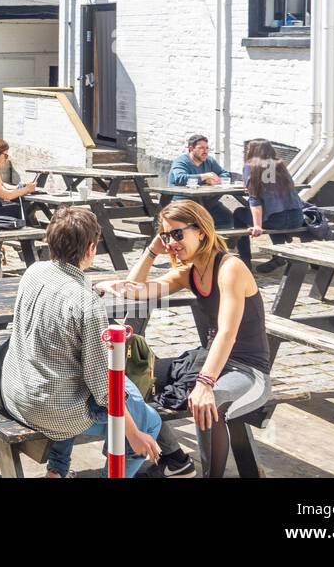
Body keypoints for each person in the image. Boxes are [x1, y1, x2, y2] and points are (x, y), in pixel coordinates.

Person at [98, 199, 272, 478]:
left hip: (248, 371)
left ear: (201, 231)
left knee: (208, 402)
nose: (172, 242)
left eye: (178, 234)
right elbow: (135, 291)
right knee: (137, 380)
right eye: (166, 236)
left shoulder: (230, 268)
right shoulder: (188, 272)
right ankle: (175, 458)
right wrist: (153, 250)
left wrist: (204, 383)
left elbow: (227, 333)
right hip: (209, 360)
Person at [1, 205, 162, 478]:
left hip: (16, 394)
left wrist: (98, 287)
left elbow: (63, 285)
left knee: (72, 372)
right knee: (147, 420)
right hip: (54, 412)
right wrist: (134, 434)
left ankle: (57, 470)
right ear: (91, 249)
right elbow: (102, 388)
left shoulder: (33, 272)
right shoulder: (86, 305)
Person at [243, 138, 306, 274]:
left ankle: (245, 261)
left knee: (238, 214)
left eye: (248, 149)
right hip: (297, 218)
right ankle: (278, 254)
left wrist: (257, 226)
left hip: (278, 220)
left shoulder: (251, 166)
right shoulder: (280, 164)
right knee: (273, 214)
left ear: (253, 151)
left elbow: (254, 199)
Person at [166, 133, 244, 230]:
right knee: (200, 222)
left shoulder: (209, 161)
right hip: (183, 203)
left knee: (226, 217)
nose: (205, 151)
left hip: (206, 201)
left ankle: (220, 244)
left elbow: (224, 173)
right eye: (201, 148)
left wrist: (216, 180)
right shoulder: (181, 161)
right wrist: (205, 176)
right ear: (191, 149)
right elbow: (180, 178)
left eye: (207, 148)